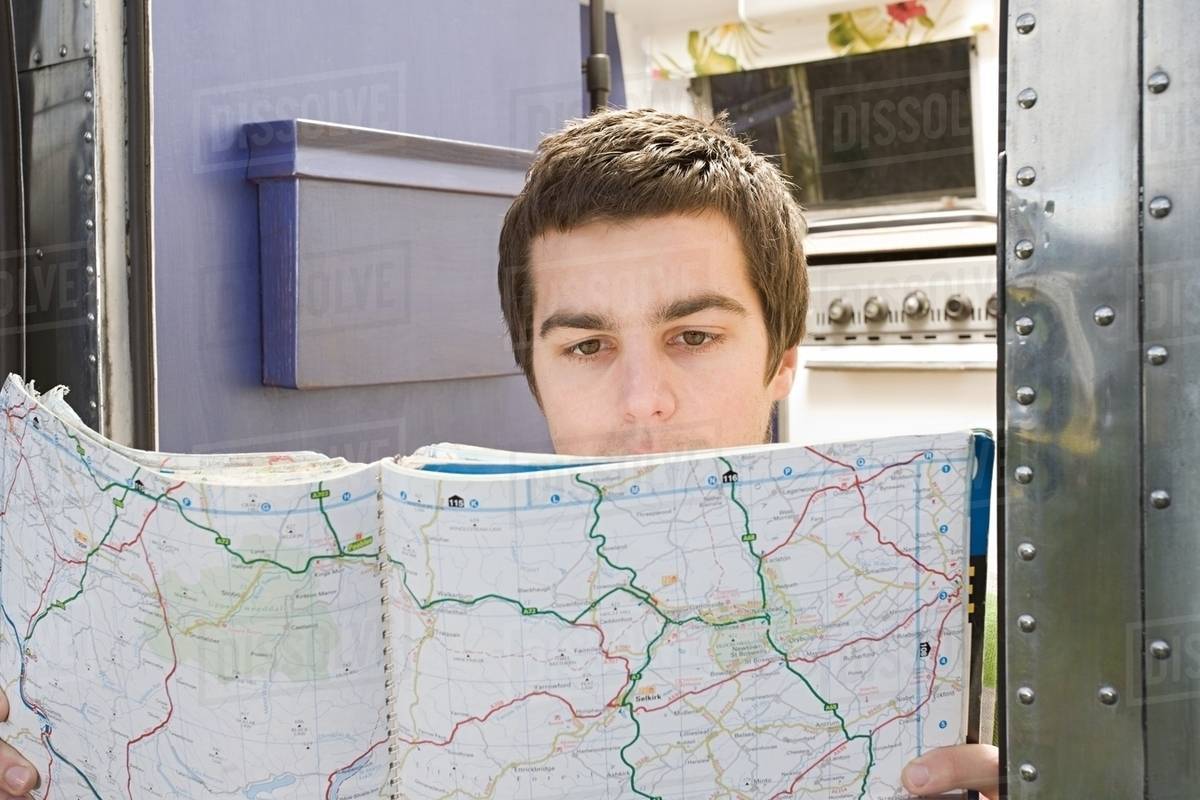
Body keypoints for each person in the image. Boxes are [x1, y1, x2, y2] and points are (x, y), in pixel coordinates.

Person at [0, 108, 999, 798]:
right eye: (586, 346)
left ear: (781, 360)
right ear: (533, 371)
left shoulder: (946, 632)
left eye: (694, 337)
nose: (642, 400)